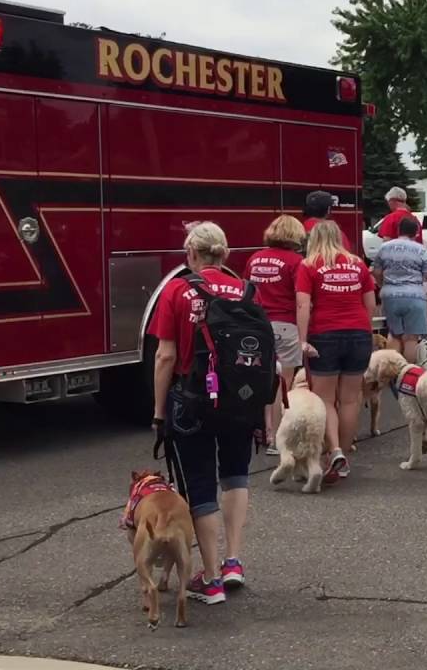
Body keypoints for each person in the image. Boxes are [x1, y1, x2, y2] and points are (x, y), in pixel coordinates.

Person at [150, 222, 254, 605]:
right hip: (240, 399)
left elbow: (165, 356)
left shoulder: (177, 290)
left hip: (192, 400)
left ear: (192, 253)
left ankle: (210, 580)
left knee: (199, 483)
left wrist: (159, 411)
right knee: (236, 474)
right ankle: (233, 561)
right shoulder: (245, 289)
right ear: (224, 254)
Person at [296, 220, 375, 483]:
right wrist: (365, 331)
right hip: (358, 333)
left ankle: (334, 450)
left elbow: (303, 305)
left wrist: (302, 340)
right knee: (350, 400)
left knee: (325, 400)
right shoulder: (358, 264)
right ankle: (342, 458)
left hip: (324, 334)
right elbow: (370, 303)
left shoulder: (309, 265)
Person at [245, 215, 307, 455]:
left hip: (257, 325)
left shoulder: (255, 258)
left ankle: (262, 430)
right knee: (283, 383)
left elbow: (246, 291)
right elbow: (301, 298)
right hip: (285, 325)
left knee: (261, 380)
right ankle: (277, 439)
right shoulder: (296, 262)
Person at [372, 216, 427, 362]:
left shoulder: (384, 247)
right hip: (415, 296)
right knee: (411, 338)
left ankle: (392, 370)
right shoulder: (421, 250)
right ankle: (408, 372)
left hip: (390, 296)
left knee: (394, 335)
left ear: (399, 230)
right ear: (416, 232)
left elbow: (376, 272)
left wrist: (383, 285)